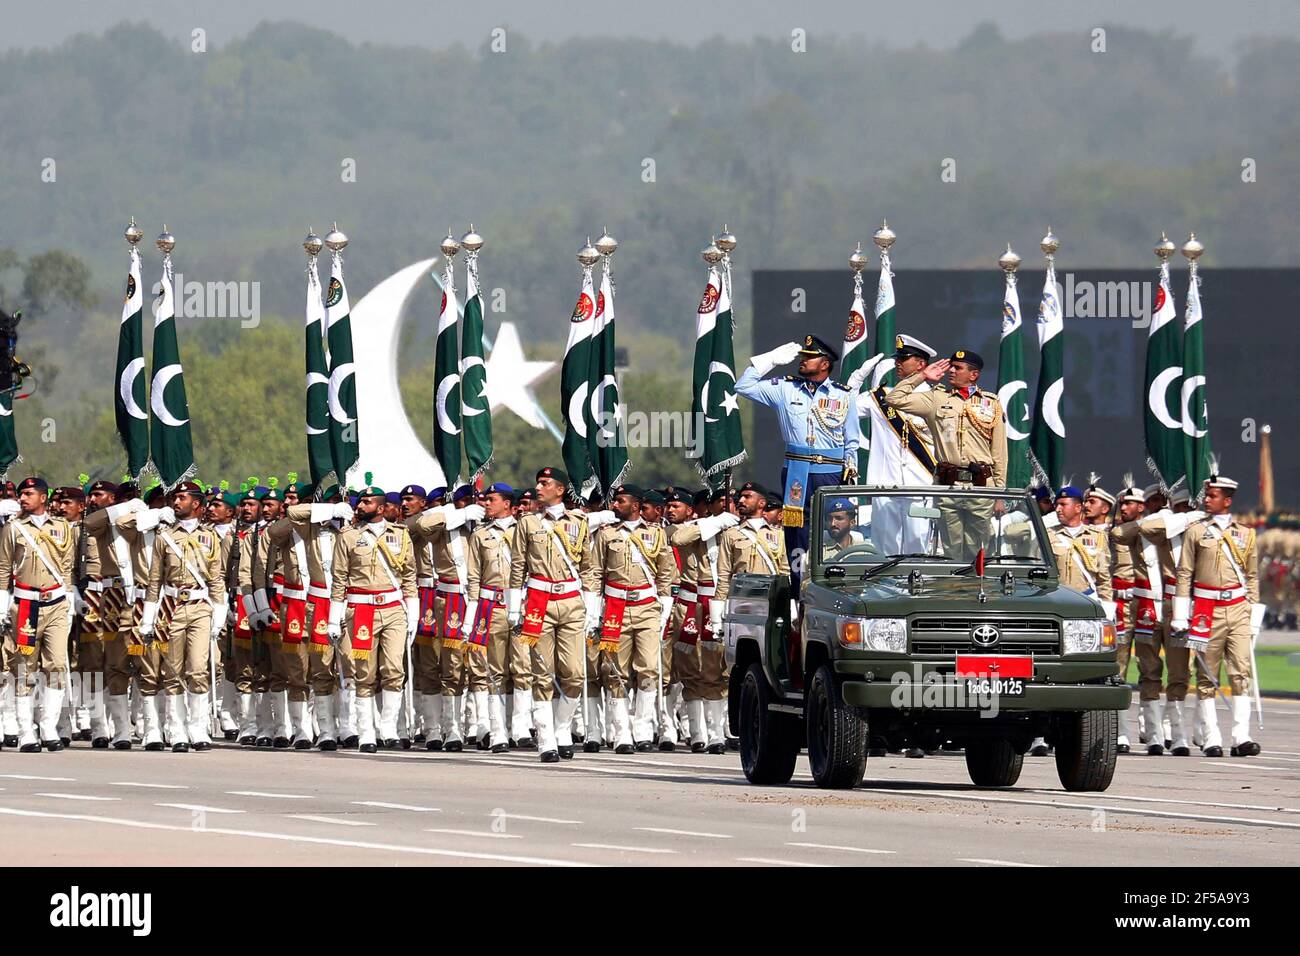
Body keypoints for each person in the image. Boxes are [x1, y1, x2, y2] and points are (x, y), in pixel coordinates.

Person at [735, 334, 860, 586]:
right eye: (802, 356)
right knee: (797, 531)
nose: (802, 360)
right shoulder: (785, 387)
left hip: (832, 470)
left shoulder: (843, 394)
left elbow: (852, 438)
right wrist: (768, 361)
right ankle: (798, 588)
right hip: (797, 470)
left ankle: (836, 583)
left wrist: (852, 467)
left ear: (824, 364)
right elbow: (743, 386)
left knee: (835, 526)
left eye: (809, 357)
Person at [507, 467, 595, 763]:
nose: (538, 488)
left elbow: (589, 567)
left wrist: (593, 609)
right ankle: (546, 739)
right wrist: (512, 607)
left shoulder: (579, 521)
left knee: (574, 673)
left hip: (571, 600)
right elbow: (517, 566)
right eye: (538, 483)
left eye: (545, 483)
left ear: (560, 490)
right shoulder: (528, 523)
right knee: (541, 673)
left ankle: (562, 728)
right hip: (537, 602)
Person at [1173, 467, 1264, 757]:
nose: (1206, 501)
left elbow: (1251, 576)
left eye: (1212, 496)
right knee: (1206, 674)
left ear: (1227, 500)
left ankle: (1241, 736)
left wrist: (1255, 612)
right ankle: (1212, 736)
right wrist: (1179, 613)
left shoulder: (1245, 534)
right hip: (1204, 610)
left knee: (1241, 671)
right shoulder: (1196, 531)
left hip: (1237, 607)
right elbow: (1185, 572)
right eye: (1207, 496)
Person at [328, 481, 417, 753]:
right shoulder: (348, 536)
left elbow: (409, 576)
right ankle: (366, 731)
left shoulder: (400, 534)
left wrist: (412, 614)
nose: (360, 505)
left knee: (394, 670)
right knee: (364, 673)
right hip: (361, 609)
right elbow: (339, 579)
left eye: (367, 503)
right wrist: (334, 618)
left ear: (380, 507)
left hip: (392, 609)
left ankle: (388, 729)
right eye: (361, 502)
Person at [586, 485, 676, 753]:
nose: (615, 505)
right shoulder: (607, 535)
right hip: (615, 608)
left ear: (635, 506)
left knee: (649, 667)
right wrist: (593, 611)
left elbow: (665, 573)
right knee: (615, 671)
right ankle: (621, 731)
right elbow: (595, 572)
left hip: (647, 607)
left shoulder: (656, 533)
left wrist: (665, 607)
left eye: (621, 501)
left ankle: (643, 729)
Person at [140, 480, 228, 752]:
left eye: (182, 498)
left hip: (201, 608)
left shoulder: (211, 536)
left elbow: (216, 578)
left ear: (196, 504)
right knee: (173, 670)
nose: (176, 502)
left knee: (198, 669)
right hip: (171, 608)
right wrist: (148, 617)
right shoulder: (165, 536)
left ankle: (198, 728)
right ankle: (176, 730)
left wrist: (220, 613)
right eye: (175, 498)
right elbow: (155, 580)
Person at [1033, 484, 1114, 757]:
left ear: (1078, 507)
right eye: (1056, 504)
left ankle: (1078, 734)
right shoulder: (1047, 534)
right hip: (1055, 609)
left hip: (1085, 612)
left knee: (1083, 675)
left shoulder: (1097, 538)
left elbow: (1103, 577)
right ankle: (1039, 736)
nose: (1058, 508)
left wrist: (1108, 609)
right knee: (1046, 671)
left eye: (1063, 504)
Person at [709, 482, 789, 754]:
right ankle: (742, 726)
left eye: (747, 496)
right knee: (742, 669)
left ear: (762, 504)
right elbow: (724, 576)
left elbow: (785, 571)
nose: (740, 500)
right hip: (743, 609)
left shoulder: (778, 534)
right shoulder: (732, 535)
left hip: (772, 608)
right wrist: (717, 616)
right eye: (739, 496)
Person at [0, 477, 77, 751]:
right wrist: (2, 605)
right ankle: (25, 731)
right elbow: (3, 568)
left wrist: (69, 598)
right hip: (25, 606)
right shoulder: (13, 528)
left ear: (43, 497)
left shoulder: (64, 528)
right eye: (21, 494)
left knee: (56, 664)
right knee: (25, 668)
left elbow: (66, 567)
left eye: (29, 493)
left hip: (55, 603)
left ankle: (48, 726)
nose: (23, 498)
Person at [847, 334, 940, 554]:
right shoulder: (880, 397)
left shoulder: (937, 397)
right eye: (897, 358)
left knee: (919, 549)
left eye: (904, 358)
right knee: (885, 549)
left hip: (922, 486)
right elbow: (842, 410)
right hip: (885, 486)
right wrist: (855, 382)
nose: (897, 362)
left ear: (921, 364)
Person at [465, 483, 517, 752]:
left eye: (492, 499)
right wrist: (472, 611)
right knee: (494, 670)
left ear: (507, 503)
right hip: (492, 607)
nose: (486, 503)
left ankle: (518, 726)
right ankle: (498, 731)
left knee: (521, 670)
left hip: (520, 606)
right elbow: (473, 575)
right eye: (485, 499)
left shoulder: (524, 531)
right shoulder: (480, 535)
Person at [1107, 474, 1147, 753]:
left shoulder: (1150, 531)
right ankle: (1121, 732)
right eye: (1122, 503)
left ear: (1142, 508)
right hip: (1120, 603)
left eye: (1130, 504)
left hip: (1144, 603)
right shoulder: (1113, 532)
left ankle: (1153, 730)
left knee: (1150, 667)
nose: (1124, 508)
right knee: (1117, 670)